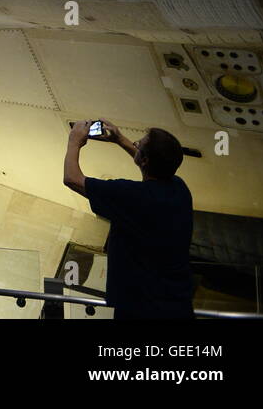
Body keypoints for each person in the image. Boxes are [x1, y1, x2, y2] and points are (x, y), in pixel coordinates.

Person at [63, 120, 194, 319]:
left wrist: (74, 141)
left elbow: (72, 178)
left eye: (139, 143)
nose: (136, 143)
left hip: (139, 308)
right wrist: (120, 140)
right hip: (177, 306)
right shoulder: (179, 189)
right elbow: (155, 166)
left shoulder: (130, 195)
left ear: (145, 160)